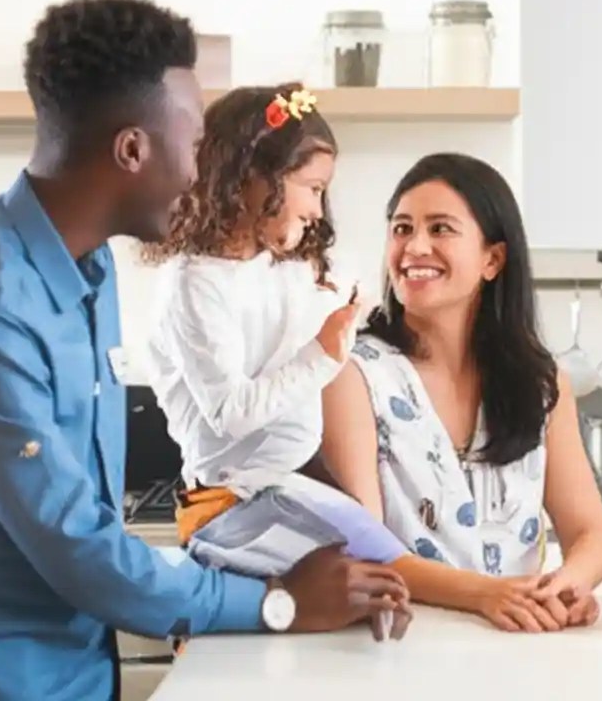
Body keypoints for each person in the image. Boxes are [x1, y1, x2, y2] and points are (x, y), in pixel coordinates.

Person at [0, 0, 410, 701]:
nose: (202, 172)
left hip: (77, 672)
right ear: (132, 150)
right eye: (193, 145)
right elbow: (80, 551)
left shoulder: (88, 269)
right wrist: (277, 601)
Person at [140, 83, 414, 631]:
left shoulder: (280, 265)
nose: (317, 208)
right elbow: (231, 412)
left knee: (380, 581)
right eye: (310, 188)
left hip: (281, 487)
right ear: (251, 180)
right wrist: (323, 351)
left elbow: (317, 321)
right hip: (226, 506)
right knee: (379, 571)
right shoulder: (194, 285)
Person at [321, 153, 602, 632]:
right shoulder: (352, 374)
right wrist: (484, 595)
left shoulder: (542, 385)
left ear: (492, 259)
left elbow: (591, 533)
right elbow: (367, 549)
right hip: (403, 645)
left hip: (517, 645)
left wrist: (565, 586)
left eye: (440, 229)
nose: (414, 246)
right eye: (401, 228)